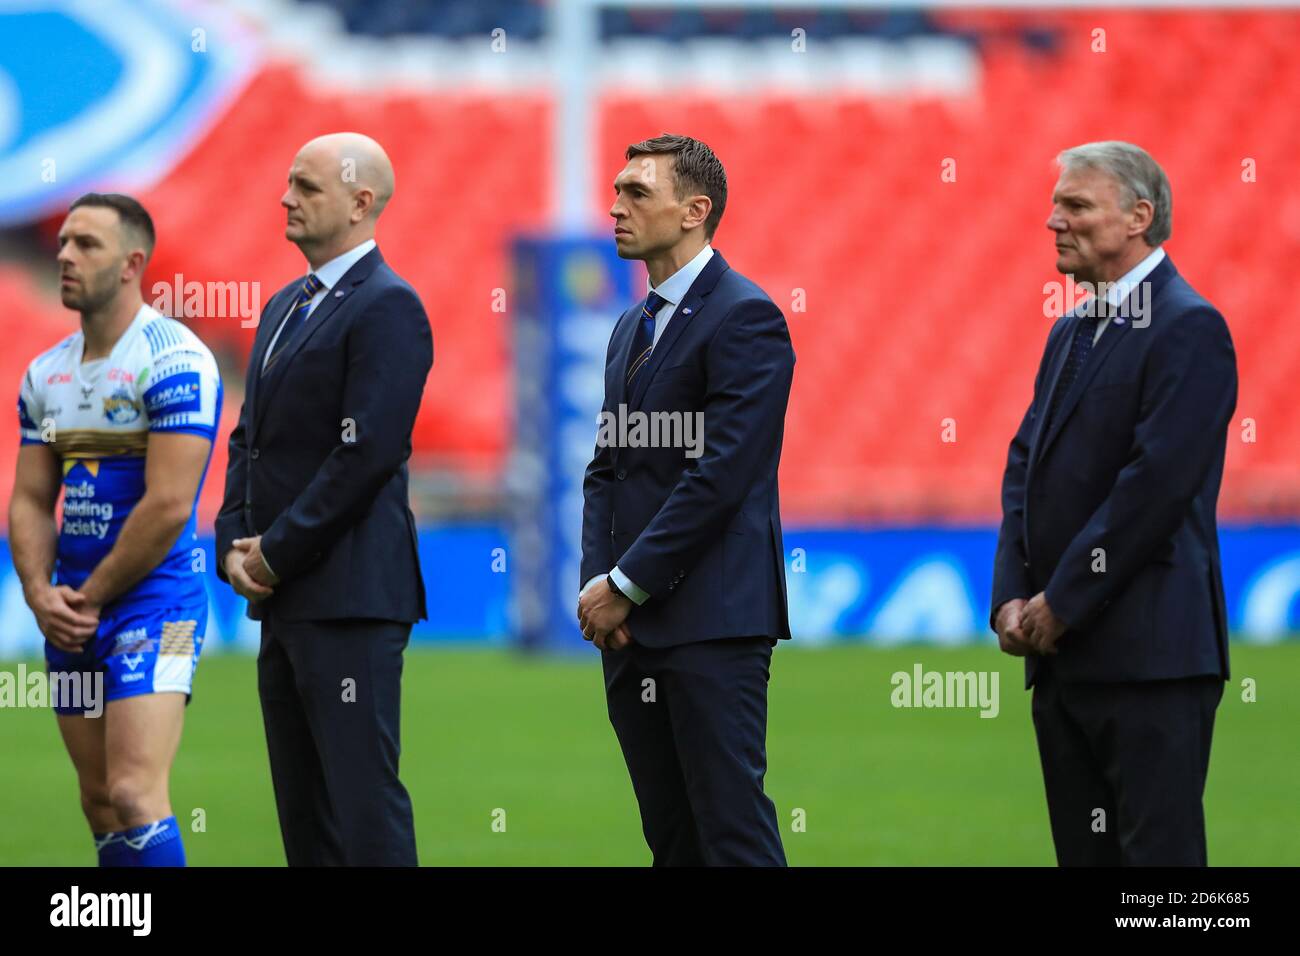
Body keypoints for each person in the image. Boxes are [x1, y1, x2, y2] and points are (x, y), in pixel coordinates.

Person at [992, 141, 1238, 866]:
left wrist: (1060, 601)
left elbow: (1154, 488)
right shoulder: (1070, 330)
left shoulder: (1188, 327)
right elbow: (1023, 472)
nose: (1052, 221)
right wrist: (1012, 598)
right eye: (1054, 205)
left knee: (1159, 874)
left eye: (1074, 205)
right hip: (1064, 657)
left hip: (1150, 657)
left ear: (1139, 216)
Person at [214, 132, 432, 866]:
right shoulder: (282, 307)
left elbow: (364, 453)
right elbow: (250, 437)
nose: (286, 197)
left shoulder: (389, 306)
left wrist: (274, 551)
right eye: (288, 183)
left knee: (360, 806)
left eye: (306, 186)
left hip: (349, 597)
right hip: (283, 595)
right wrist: (234, 538)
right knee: (304, 814)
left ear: (359, 201)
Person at [578, 134, 795, 866]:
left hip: (712, 624)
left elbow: (721, 475)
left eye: (637, 193)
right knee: (671, 840)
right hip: (629, 629)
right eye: (616, 191)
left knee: (732, 835)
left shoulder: (746, 317)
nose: (616, 207)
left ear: (695, 210)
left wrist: (626, 583)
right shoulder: (627, 328)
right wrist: (597, 584)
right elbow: (605, 470)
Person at [10, 193, 222, 866]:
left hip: (160, 604)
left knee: (135, 792)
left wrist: (92, 595)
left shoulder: (174, 359)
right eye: (64, 241)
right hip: (72, 607)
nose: (66, 255)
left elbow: (167, 506)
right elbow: (29, 499)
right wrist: (41, 592)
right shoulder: (46, 373)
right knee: (98, 798)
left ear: (132, 264)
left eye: (87, 245)